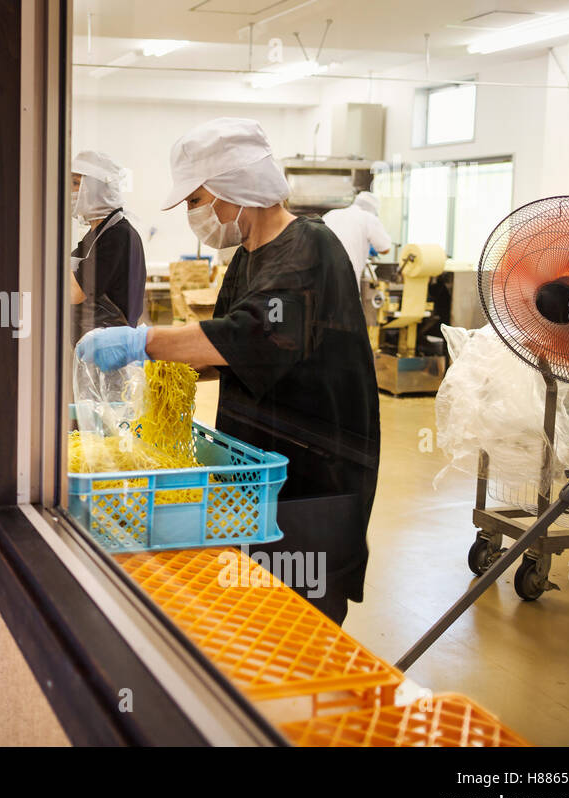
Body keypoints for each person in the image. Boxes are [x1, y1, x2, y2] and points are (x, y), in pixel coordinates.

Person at [75, 118, 380, 625]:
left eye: (196, 200)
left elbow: (246, 334)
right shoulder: (248, 257)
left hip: (313, 475)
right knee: (256, 605)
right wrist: (149, 381)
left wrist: (140, 342)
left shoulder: (311, 251)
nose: (195, 215)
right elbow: (228, 351)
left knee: (303, 617)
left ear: (233, 190)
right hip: (259, 464)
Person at [69, 150, 147, 342]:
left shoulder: (117, 236)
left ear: (96, 189)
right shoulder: (97, 234)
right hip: (91, 344)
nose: (69, 191)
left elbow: (74, 293)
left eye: (75, 184)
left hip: (107, 349)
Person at [324, 190, 392, 288]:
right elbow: (385, 249)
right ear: (374, 210)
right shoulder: (369, 218)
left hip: (322, 278)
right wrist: (369, 246)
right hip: (346, 280)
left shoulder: (330, 215)